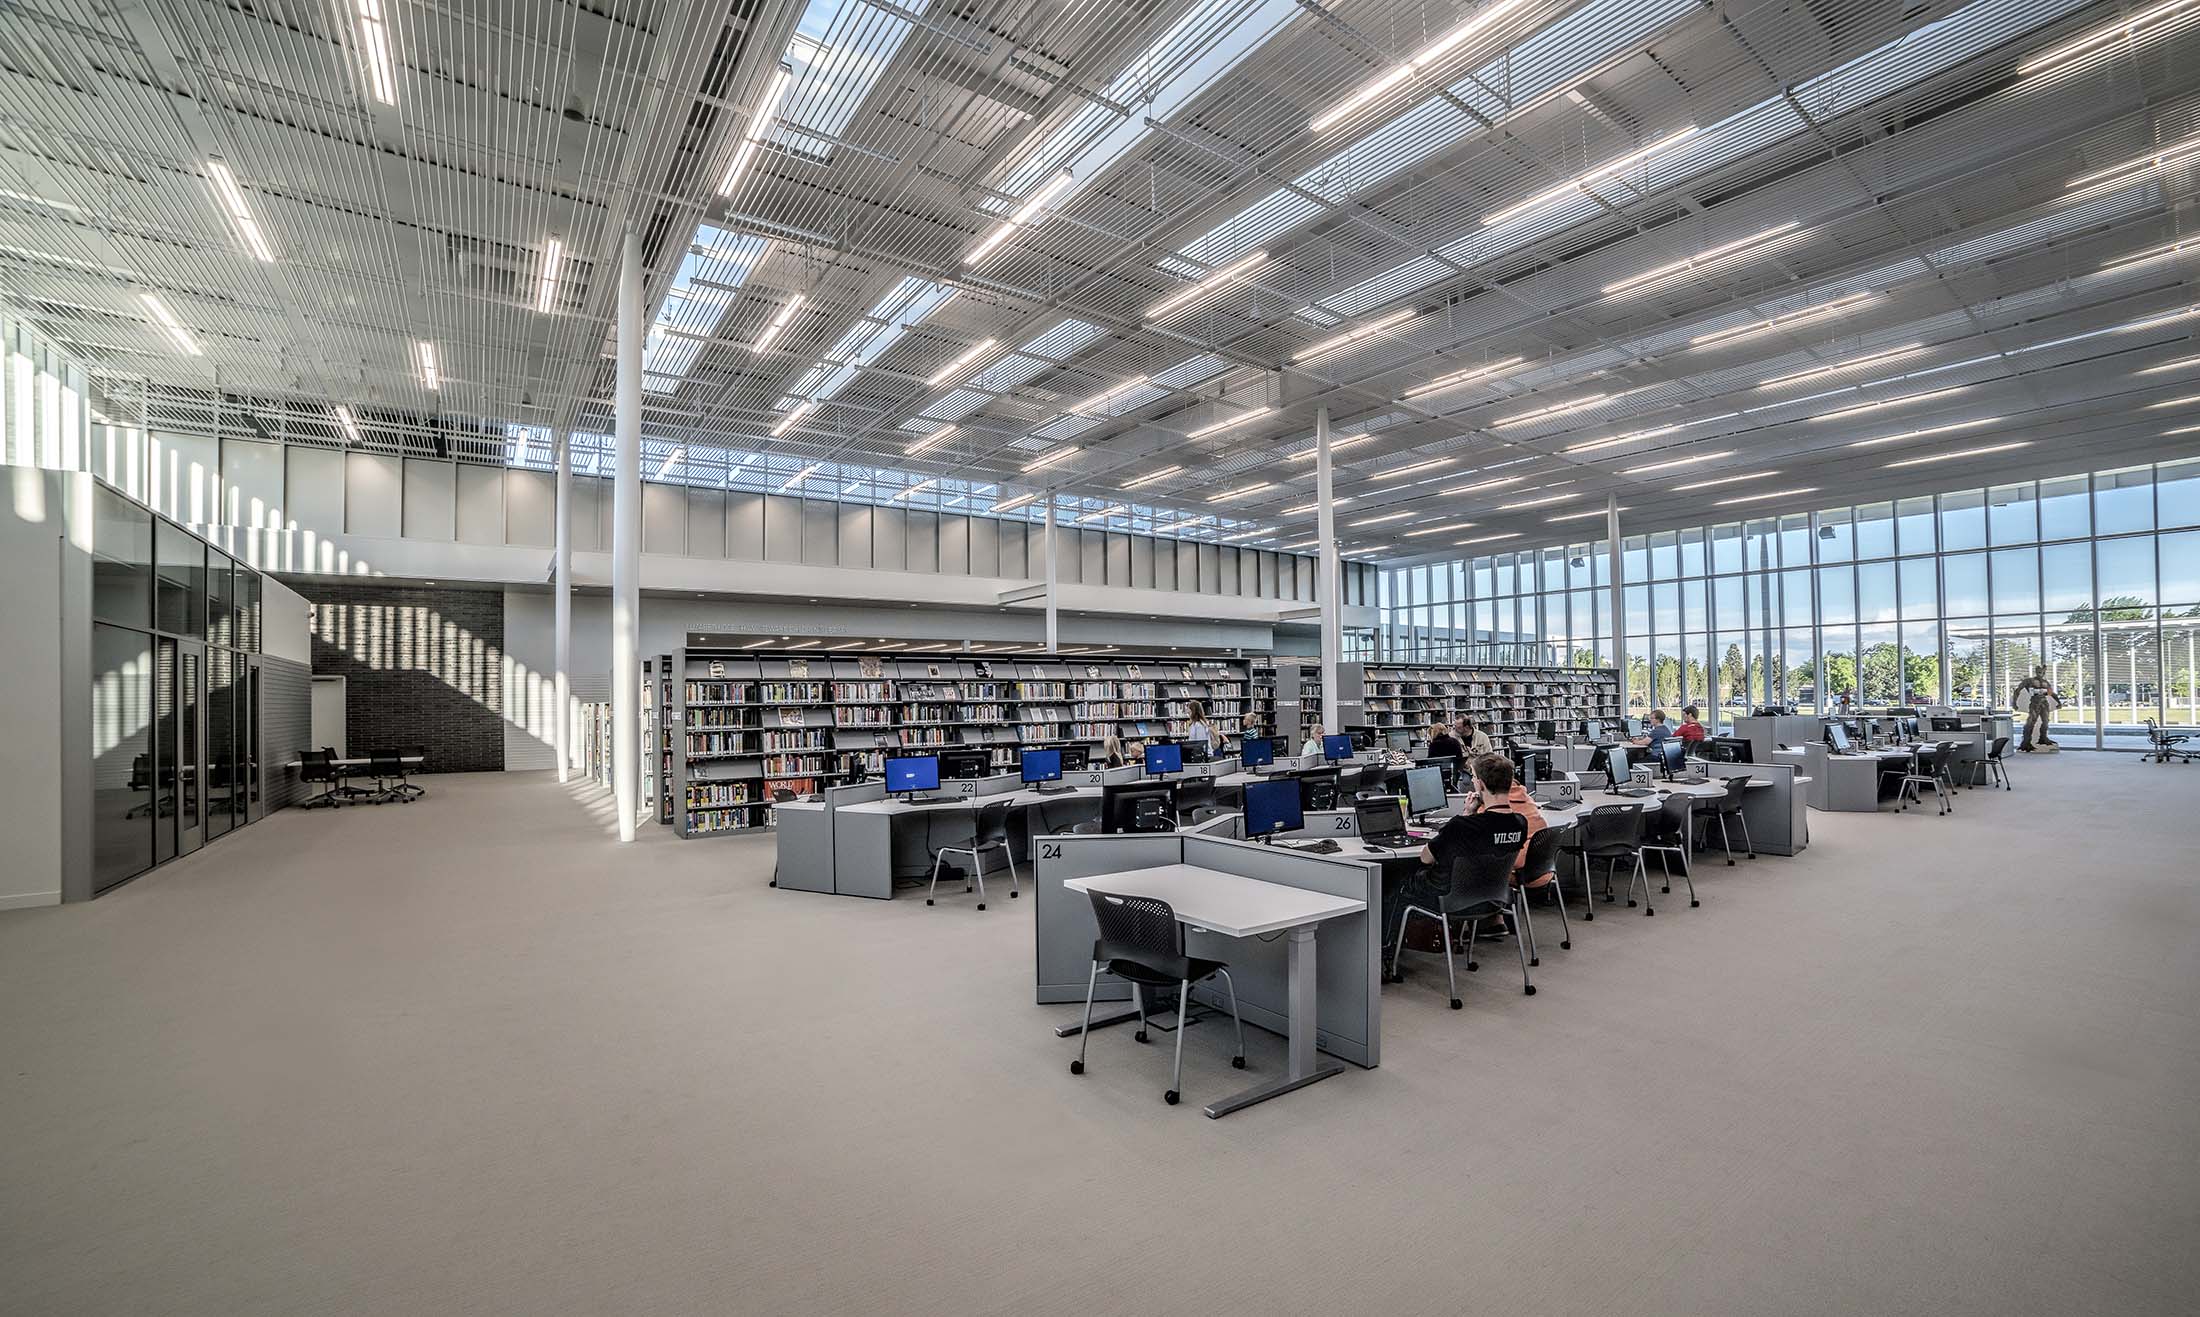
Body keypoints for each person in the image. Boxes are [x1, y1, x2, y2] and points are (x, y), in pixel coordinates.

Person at [2012, 666, 2060, 752]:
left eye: (2042, 672)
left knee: (2045, 721)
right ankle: (2026, 742)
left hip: (2044, 703)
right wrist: (2014, 702)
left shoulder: (2046, 682)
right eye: (2039, 672)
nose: (2041, 674)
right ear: (2036, 672)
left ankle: (2043, 738)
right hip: (2035, 703)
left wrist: (2058, 702)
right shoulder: (2029, 681)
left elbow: (2051, 693)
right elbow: (2017, 690)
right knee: (2031, 722)